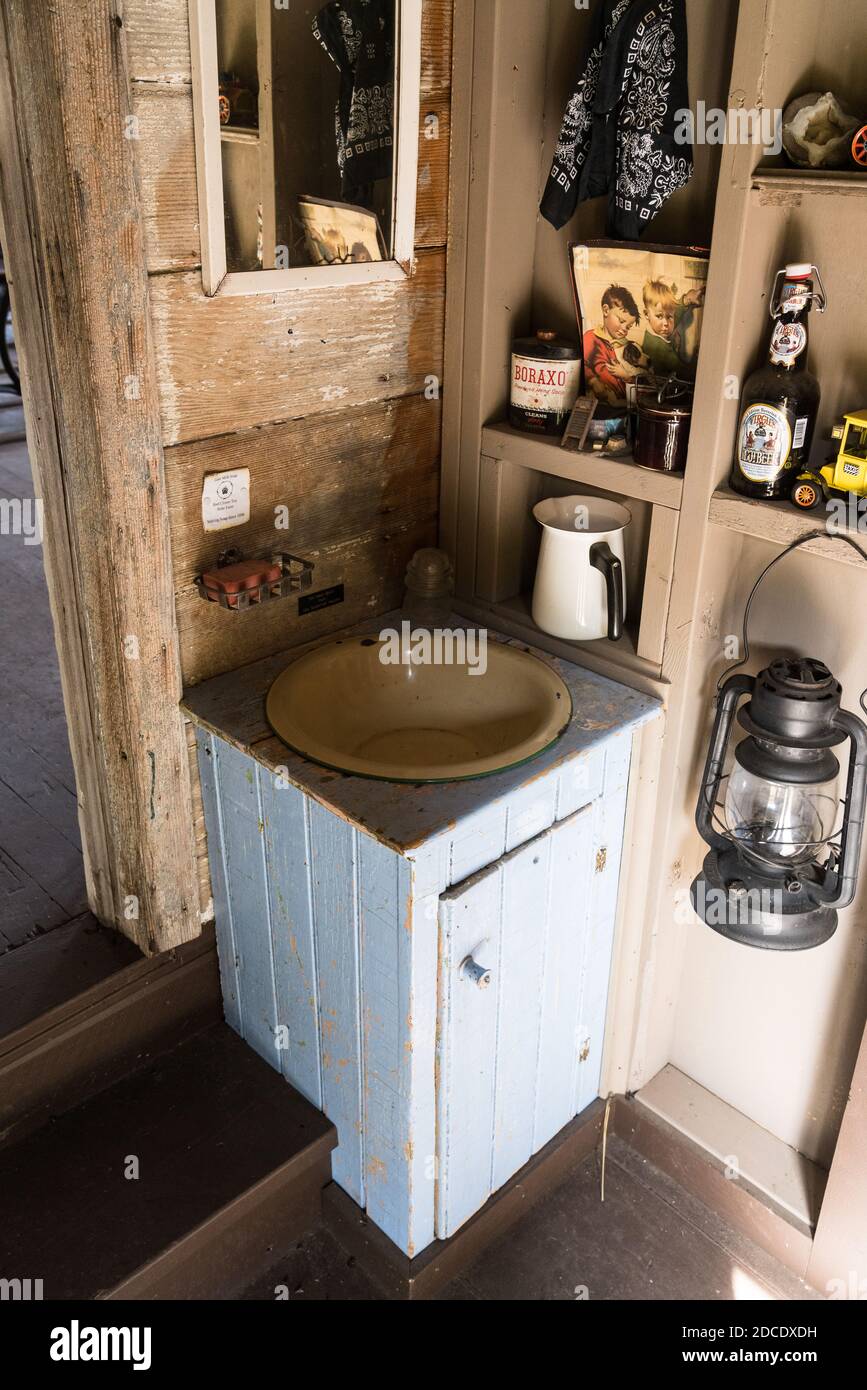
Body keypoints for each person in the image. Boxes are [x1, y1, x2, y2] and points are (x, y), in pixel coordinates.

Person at [583, 285, 643, 405]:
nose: (624, 329)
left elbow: (639, 374)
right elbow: (582, 363)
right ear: (606, 310)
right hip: (601, 401)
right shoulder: (591, 337)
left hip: (623, 402)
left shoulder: (628, 347)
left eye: (629, 326)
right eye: (621, 321)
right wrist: (593, 381)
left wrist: (626, 376)